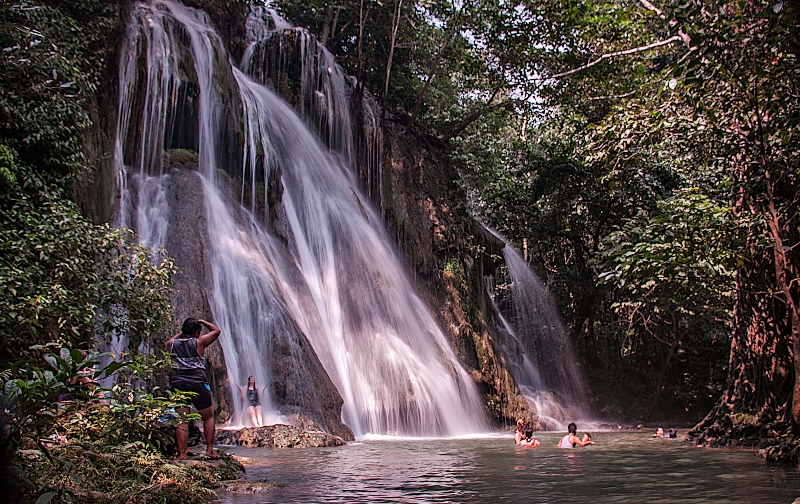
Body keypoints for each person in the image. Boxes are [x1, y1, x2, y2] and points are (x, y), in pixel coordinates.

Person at [167, 318, 221, 460]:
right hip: (197, 383)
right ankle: (209, 450)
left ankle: (182, 454)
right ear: (197, 332)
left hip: (178, 384)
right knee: (208, 417)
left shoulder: (172, 344)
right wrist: (203, 322)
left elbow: (170, 341)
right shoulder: (199, 342)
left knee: (182, 420)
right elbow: (216, 331)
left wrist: (182, 333)